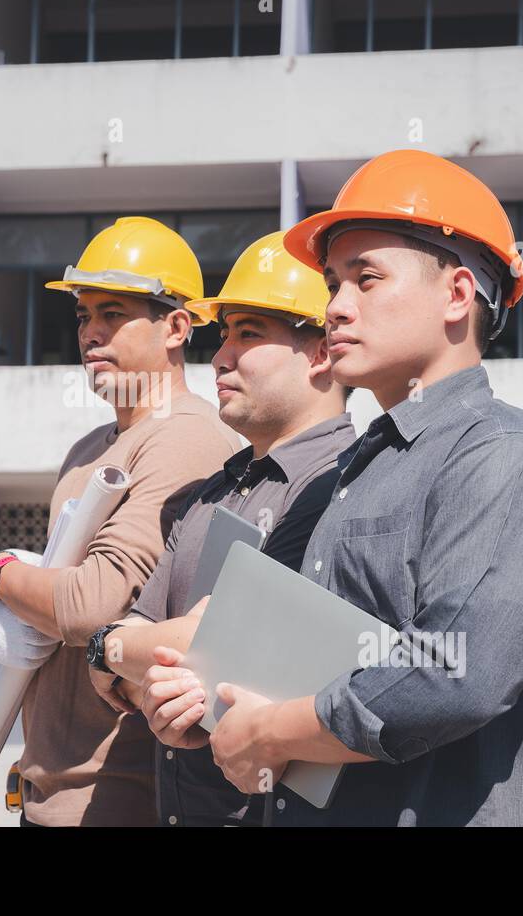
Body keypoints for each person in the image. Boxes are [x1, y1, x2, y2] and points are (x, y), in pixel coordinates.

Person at [146, 150, 523, 826]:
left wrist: (274, 731)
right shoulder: (351, 473)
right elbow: (305, 659)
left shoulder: (511, 460)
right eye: (333, 283)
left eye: (366, 279)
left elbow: (457, 675)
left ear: (456, 295)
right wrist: (203, 702)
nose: (335, 307)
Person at [84, 232, 356, 827]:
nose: (221, 356)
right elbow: (150, 636)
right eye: (225, 333)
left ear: (320, 354)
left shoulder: (341, 488)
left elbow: (232, 648)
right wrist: (123, 655)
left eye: (249, 334)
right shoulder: (211, 489)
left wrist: (113, 649)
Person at [0, 216, 238, 826]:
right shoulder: (92, 447)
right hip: (50, 793)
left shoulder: (187, 440)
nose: (91, 334)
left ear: (176, 326)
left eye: (113, 314)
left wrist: (1, 575)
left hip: (116, 797)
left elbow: (89, 607)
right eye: (82, 316)